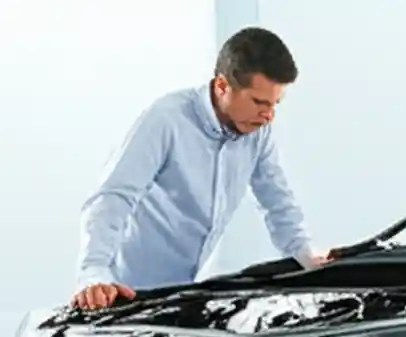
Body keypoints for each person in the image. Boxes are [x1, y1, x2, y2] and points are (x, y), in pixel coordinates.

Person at [71, 26, 330, 310]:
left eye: (275, 104)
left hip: (186, 294)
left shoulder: (258, 131)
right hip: (124, 295)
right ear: (222, 86)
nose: (268, 115)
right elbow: (114, 196)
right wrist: (94, 272)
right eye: (259, 102)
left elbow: (277, 201)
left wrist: (306, 256)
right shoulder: (166, 120)